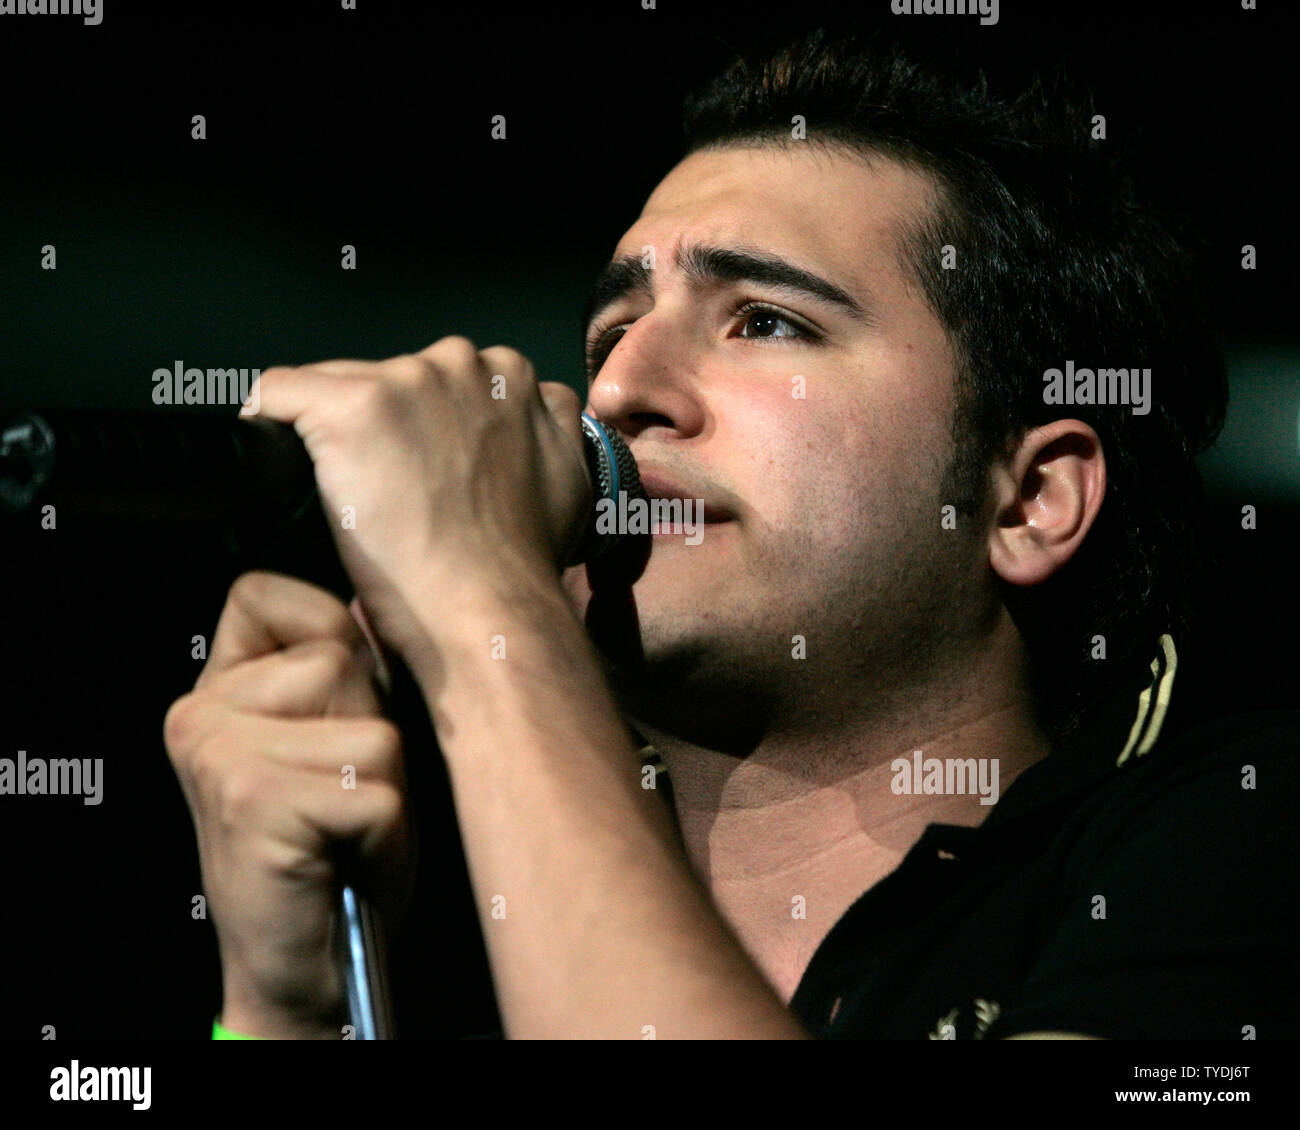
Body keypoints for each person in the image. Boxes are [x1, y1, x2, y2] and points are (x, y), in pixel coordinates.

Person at [162, 29, 1299, 1039]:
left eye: (764, 321)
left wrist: (484, 610)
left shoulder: (1235, 836)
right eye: (611, 330)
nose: (619, 390)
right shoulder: (442, 906)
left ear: (1028, 499)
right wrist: (289, 1011)